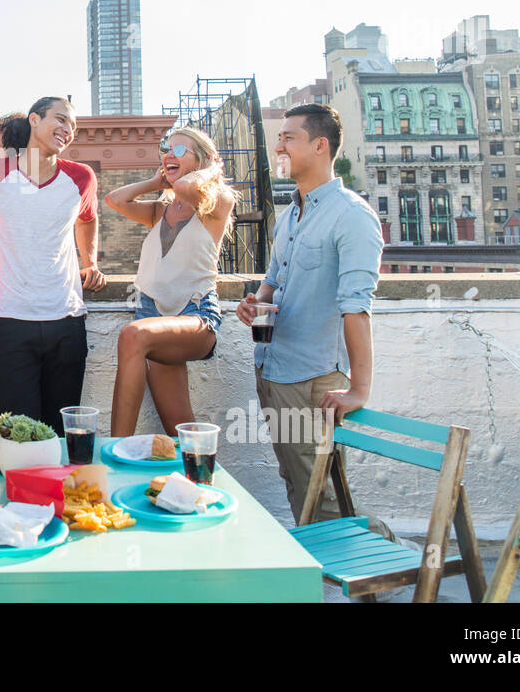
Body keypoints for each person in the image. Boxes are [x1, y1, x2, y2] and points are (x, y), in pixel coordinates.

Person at [235, 103, 383, 522]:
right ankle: (333, 568)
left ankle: (388, 559)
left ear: (320, 146)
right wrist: (255, 304)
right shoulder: (293, 212)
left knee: (322, 497)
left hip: (312, 378)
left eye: (288, 138)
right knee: (299, 483)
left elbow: (357, 307)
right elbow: (275, 279)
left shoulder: (352, 216)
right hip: (274, 369)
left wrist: (359, 389)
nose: (277, 146)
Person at [0, 96, 107, 434]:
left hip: (68, 322)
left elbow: (88, 219)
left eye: (72, 126)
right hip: (12, 323)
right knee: (18, 434)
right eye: (60, 119)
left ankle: (58, 489)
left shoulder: (82, 177)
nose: (67, 129)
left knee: (59, 434)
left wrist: (90, 262)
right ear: (33, 120)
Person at [105, 127, 237, 437]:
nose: (168, 155)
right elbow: (115, 199)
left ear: (203, 161)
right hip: (155, 318)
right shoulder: (160, 211)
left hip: (196, 315)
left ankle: (114, 451)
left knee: (133, 336)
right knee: (181, 430)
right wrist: (155, 182)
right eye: (166, 150)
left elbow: (190, 189)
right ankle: (200, 481)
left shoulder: (217, 205)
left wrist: (212, 169)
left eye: (179, 151)